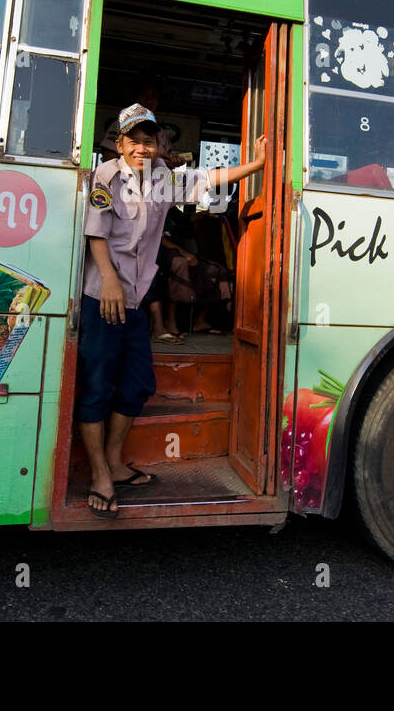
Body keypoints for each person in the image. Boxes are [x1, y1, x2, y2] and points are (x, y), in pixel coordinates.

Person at [78, 103, 266, 518]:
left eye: (150, 141)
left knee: (137, 383)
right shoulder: (106, 176)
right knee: (96, 387)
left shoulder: (163, 178)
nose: (143, 148)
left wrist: (256, 163)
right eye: (135, 141)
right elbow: (96, 233)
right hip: (102, 297)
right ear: (121, 144)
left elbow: (209, 178)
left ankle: (114, 460)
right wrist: (108, 279)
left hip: (135, 299)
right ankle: (100, 475)